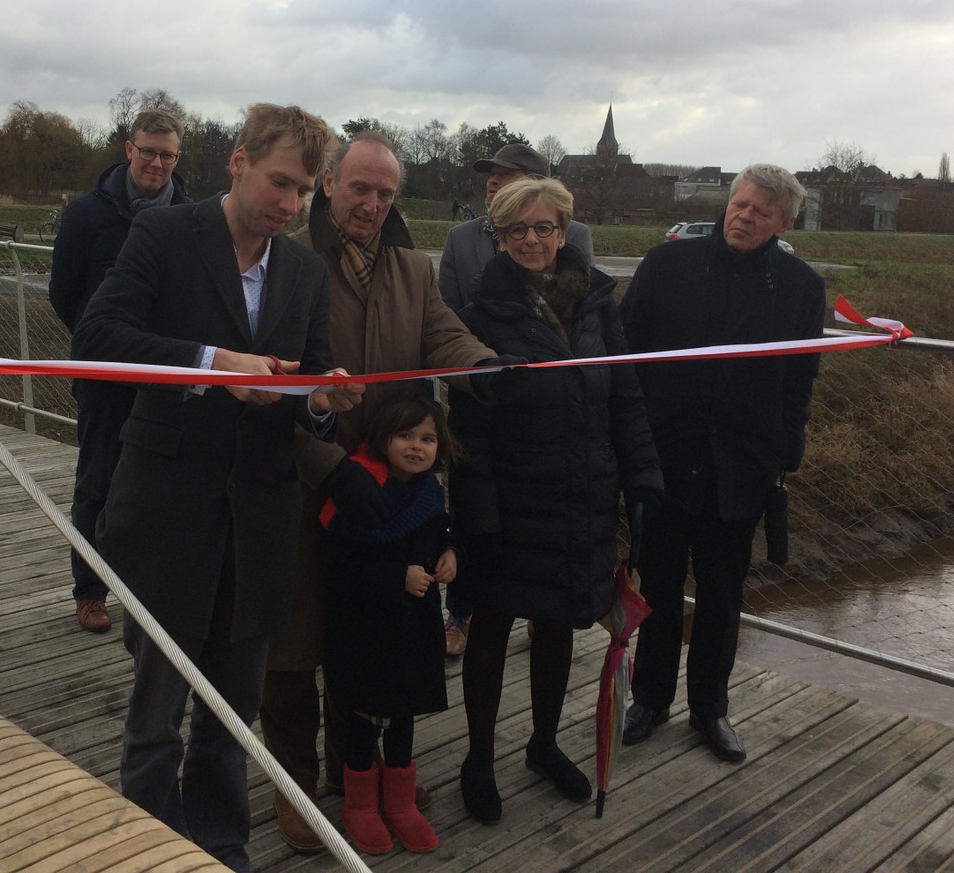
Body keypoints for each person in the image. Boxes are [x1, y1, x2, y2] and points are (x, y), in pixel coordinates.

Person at [74, 103, 364, 873]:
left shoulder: (304, 271)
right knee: (156, 724)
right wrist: (211, 363)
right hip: (167, 514)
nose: (290, 205)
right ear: (239, 162)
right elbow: (96, 338)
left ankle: (223, 854)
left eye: (304, 191)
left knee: (231, 724)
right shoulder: (165, 234)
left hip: (260, 525)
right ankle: (152, 854)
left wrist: (323, 400)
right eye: (280, 183)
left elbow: (307, 382)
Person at [261, 132, 514, 853]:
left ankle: (353, 768)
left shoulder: (411, 266)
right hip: (302, 482)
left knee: (366, 634)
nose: (371, 204)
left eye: (384, 193)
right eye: (359, 188)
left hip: (386, 490)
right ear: (328, 183)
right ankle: (294, 786)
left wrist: (486, 367)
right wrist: (325, 461)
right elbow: (271, 382)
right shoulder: (288, 259)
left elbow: (443, 336)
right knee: (293, 643)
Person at [447, 177, 661, 824]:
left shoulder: (597, 303)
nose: (532, 240)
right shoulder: (481, 316)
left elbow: (625, 394)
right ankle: (479, 758)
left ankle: (543, 743)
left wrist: (643, 477)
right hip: (511, 499)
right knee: (491, 626)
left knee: (560, 620)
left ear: (564, 232)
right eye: (516, 229)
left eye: (544, 227)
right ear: (500, 237)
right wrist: (478, 515)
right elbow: (469, 429)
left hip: (581, 492)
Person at [619, 164, 824, 764]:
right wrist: (631, 441)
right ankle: (649, 698)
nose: (744, 217)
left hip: (741, 465)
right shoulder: (667, 265)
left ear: (784, 223)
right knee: (658, 585)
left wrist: (787, 445)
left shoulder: (800, 286)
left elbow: (801, 376)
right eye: (740, 205)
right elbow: (626, 352)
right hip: (664, 455)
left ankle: (710, 709)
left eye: (761, 212)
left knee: (722, 596)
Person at [437, 142, 595, 658]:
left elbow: (577, 315)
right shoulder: (461, 238)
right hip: (485, 394)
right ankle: (459, 614)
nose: (492, 181)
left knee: (543, 583)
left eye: (505, 174)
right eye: (491, 174)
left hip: (551, 425)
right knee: (480, 533)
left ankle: (536, 611)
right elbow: (447, 317)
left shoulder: (575, 235)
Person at [48, 109, 191, 633]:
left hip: (167, 378)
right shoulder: (86, 214)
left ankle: (149, 591)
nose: (156, 162)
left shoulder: (192, 219)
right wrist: (102, 341)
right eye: (148, 151)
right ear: (129, 149)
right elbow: (64, 292)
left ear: (177, 158)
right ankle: (90, 591)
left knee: (166, 486)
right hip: (104, 377)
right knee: (97, 483)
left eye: (167, 155)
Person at [319, 397, 461, 855]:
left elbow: (441, 532)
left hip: (415, 628)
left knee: (404, 714)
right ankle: (360, 805)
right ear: (382, 440)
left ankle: (400, 803)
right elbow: (339, 567)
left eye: (428, 439)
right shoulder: (359, 492)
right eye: (405, 436)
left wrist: (450, 554)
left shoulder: (430, 493)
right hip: (365, 628)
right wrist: (396, 576)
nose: (417, 447)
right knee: (364, 717)